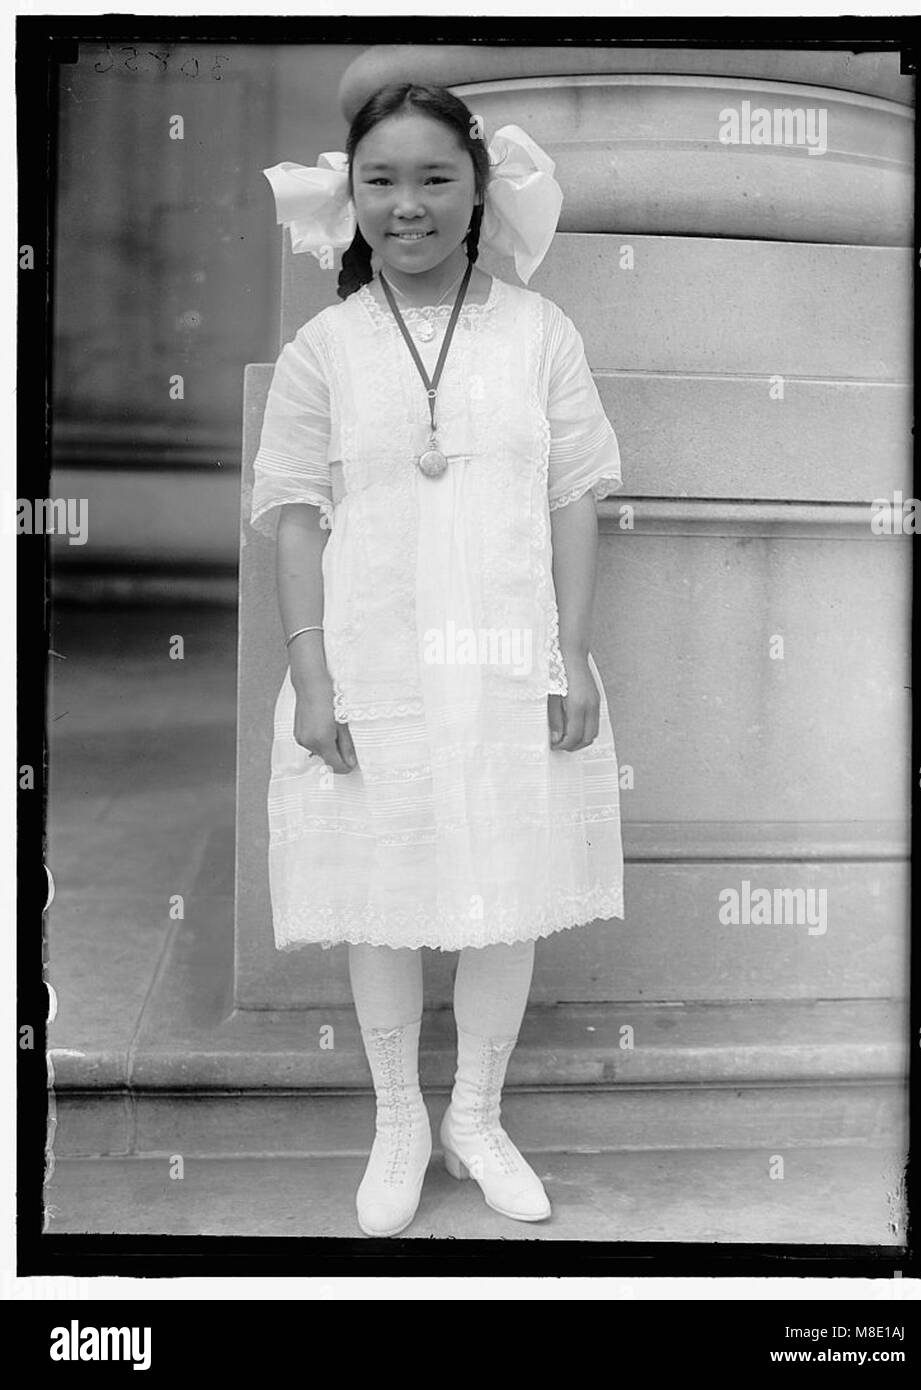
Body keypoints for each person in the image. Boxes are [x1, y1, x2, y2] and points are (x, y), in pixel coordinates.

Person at [250, 82, 625, 1238]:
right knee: (383, 890)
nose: (406, 206)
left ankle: (476, 1112)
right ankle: (401, 1118)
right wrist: (314, 677)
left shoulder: (539, 331)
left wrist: (569, 650)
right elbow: (298, 515)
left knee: (501, 890)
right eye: (381, 181)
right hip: (374, 657)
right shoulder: (323, 348)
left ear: (478, 189)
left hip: (513, 655)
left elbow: (573, 497)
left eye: (433, 179)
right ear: (350, 193)